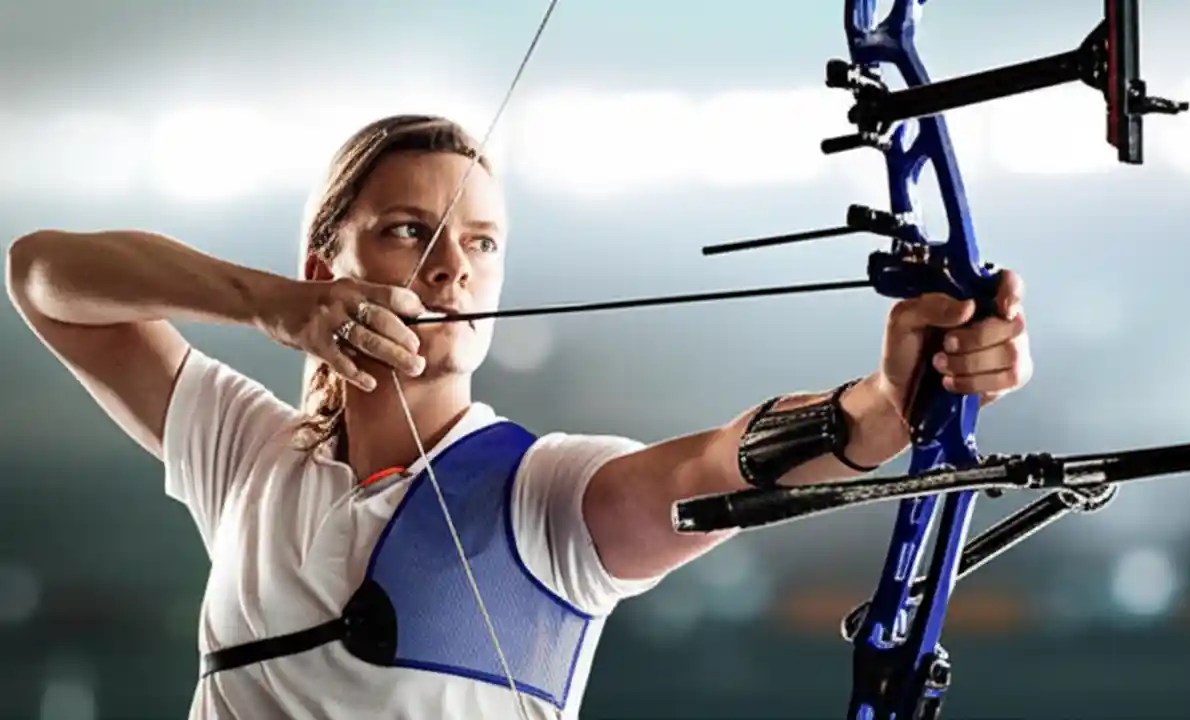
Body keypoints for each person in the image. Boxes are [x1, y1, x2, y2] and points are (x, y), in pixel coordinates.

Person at [4, 114, 1032, 720]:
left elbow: (712, 469)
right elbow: (41, 272)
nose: (455, 265)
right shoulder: (248, 452)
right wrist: (264, 304)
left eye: (484, 244)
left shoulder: (539, 495)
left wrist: (889, 405)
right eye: (413, 232)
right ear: (329, 266)